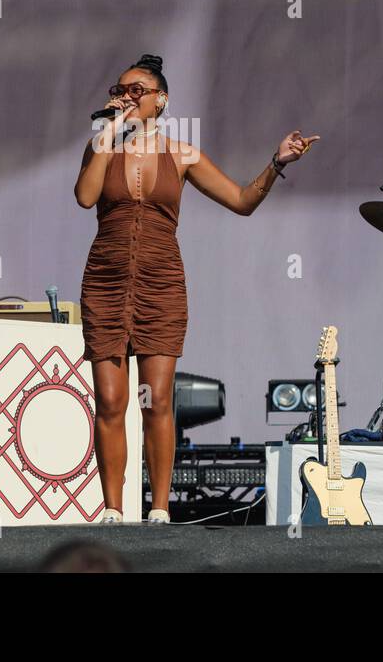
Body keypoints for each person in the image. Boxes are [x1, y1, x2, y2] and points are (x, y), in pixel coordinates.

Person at [75, 54, 318, 524]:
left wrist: (276, 163)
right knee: (110, 400)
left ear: (161, 100)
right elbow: (85, 197)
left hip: (160, 282)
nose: (125, 97)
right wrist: (106, 136)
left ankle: (160, 508)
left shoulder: (182, 154)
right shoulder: (100, 147)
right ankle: (111, 509)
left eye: (136, 90)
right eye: (118, 90)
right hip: (106, 281)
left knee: (157, 397)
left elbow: (242, 201)